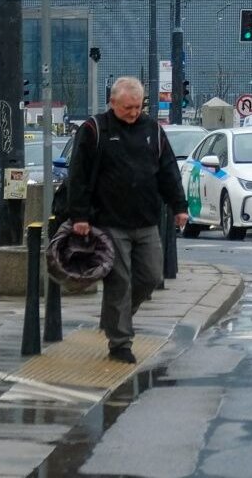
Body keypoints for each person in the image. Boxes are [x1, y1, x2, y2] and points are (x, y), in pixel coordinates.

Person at [65, 77, 187, 363]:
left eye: (138, 107)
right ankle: (120, 343)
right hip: (109, 221)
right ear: (112, 103)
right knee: (119, 282)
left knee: (151, 276)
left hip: (146, 220)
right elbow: (78, 175)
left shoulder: (153, 130)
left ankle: (114, 318)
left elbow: (168, 170)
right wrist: (80, 215)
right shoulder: (94, 130)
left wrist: (178, 206)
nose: (133, 113)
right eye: (127, 107)